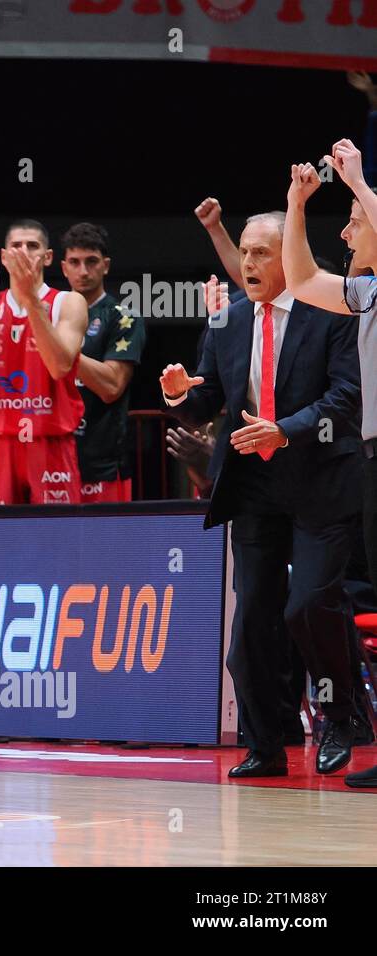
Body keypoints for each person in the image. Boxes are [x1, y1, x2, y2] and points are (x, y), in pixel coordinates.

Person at [163, 207, 363, 779]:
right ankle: (266, 740)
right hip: (254, 484)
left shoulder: (331, 312)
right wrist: (179, 395)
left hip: (321, 480)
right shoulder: (227, 322)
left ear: (291, 255)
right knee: (252, 618)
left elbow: (347, 397)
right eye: (244, 252)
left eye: (262, 253)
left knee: (309, 606)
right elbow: (209, 400)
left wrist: (287, 429)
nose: (247, 263)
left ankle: (341, 716)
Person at [282, 142, 377, 788]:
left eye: (355, 221)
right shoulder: (365, 293)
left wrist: (361, 182)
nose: (344, 232)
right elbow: (299, 281)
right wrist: (296, 204)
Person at [0, 222, 88, 505]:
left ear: (47, 257)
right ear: (4, 256)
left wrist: (31, 300)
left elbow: (60, 366)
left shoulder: (69, 302)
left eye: (32, 246)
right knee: (1, 542)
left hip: (49, 442)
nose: (24, 252)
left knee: (56, 539)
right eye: (16, 246)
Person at [61, 223, 146, 502]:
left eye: (91, 262)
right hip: (51, 456)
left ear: (105, 266)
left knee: (107, 546)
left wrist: (61, 349)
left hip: (103, 463)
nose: (83, 271)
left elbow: (111, 386)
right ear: (63, 267)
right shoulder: (48, 314)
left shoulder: (124, 317)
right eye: (74, 262)